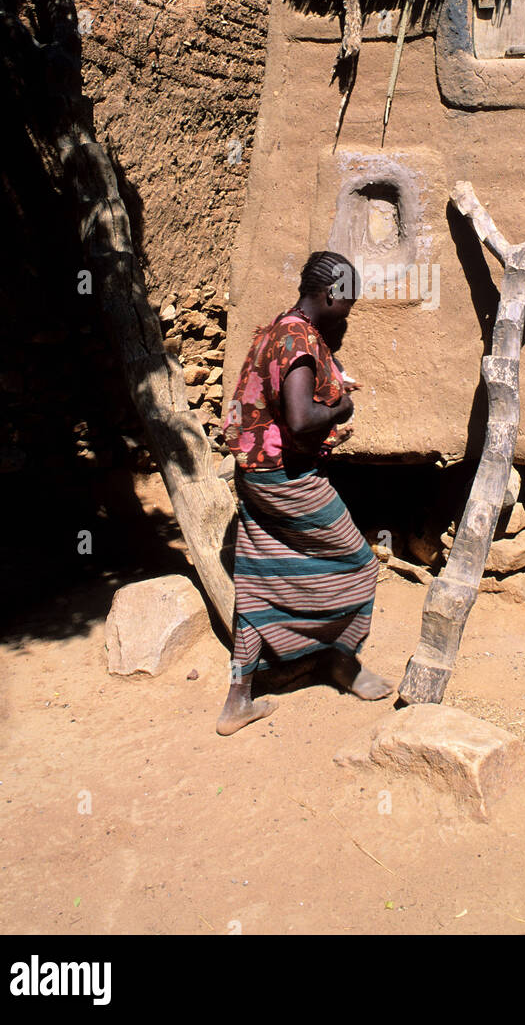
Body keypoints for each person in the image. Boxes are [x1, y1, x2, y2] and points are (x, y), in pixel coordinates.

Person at [216, 250, 393, 735]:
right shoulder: (297, 338)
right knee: (358, 565)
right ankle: (341, 662)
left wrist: (330, 383)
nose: (350, 313)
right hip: (288, 479)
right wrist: (341, 406)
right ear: (332, 293)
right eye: (349, 303)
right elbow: (298, 420)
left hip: (256, 473)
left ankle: (239, 700)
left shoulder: (281, 327)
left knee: (258, 582)